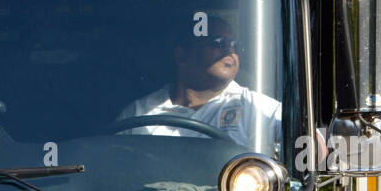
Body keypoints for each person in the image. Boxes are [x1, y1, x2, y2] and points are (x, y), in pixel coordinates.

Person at [114, 15, 282, 151]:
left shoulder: (258, 108)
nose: (229, 50)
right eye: (217, 42)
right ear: (182, 56)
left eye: (234, 45)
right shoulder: (139, 113)